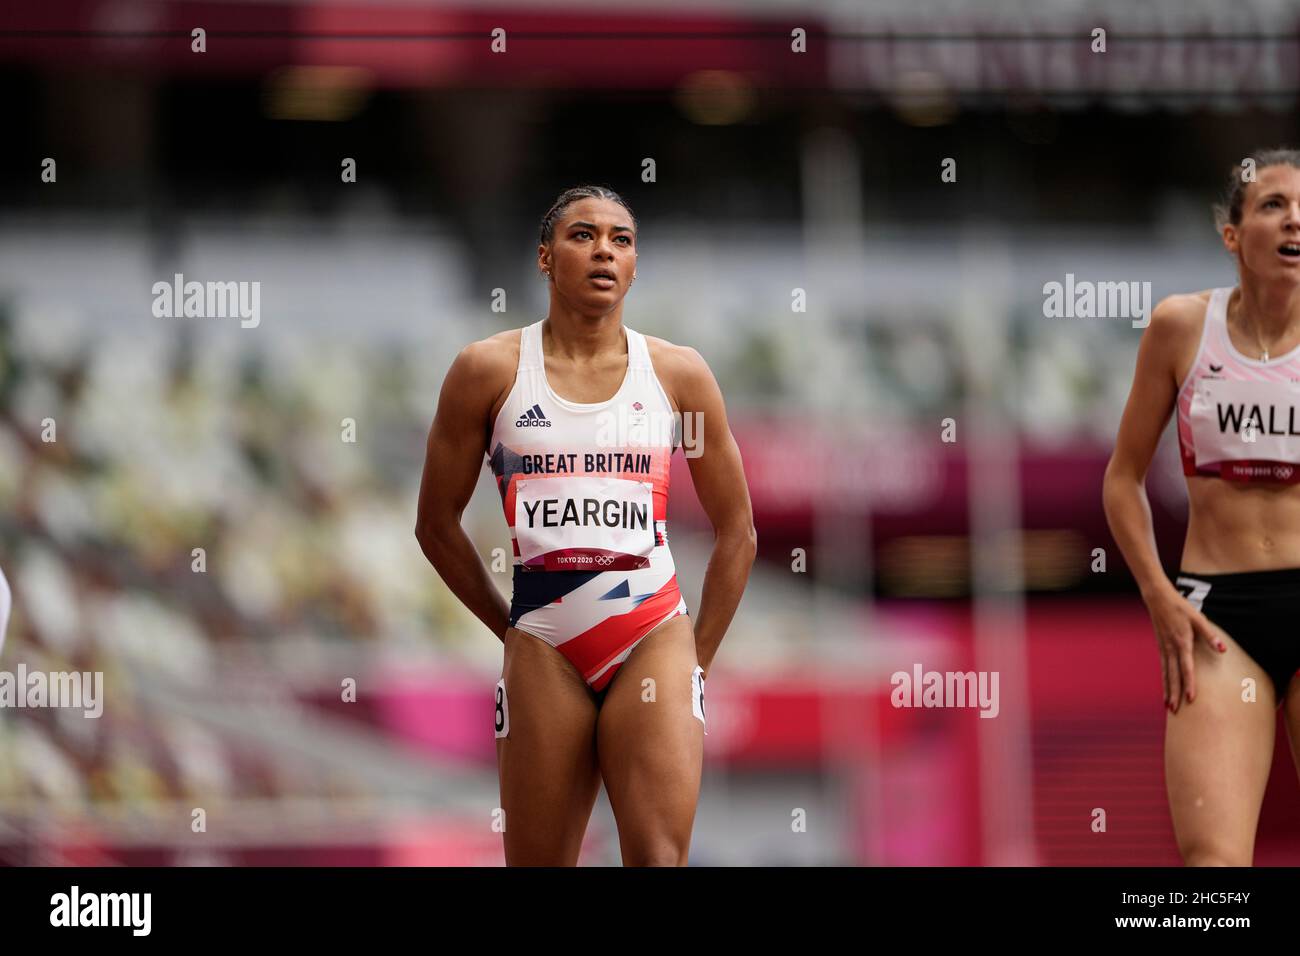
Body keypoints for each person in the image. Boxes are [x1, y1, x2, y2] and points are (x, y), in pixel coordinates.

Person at [415, 185, 757, 866]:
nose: (604, 249)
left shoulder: (677, 375)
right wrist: (508, 628)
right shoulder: (489, 371)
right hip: (545, 641)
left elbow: (738, 531)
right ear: (545, 257)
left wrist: (697, 660)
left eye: (621, 239)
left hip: (651, 633)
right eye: (583, 235)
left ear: (634, 266)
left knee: (657, 858)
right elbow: (434, 524)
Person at [1104, 149, 1300, 866]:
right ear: (1233, 233)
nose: (1295, 219)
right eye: (1274, 204)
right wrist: (1157, 594)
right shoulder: (1182, 328)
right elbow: (1121, 480)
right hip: (1217, 618)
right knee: (1213, 866)